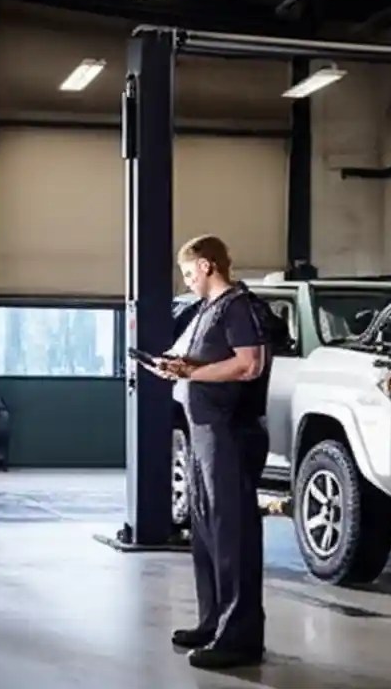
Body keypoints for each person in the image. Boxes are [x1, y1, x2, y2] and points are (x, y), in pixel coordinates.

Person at [153, 234, 271, 670]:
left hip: (230, 434)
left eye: (188, 272)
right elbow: (190, 358)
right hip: (203, 435)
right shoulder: (206, 311)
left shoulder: (239, 306)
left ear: (206, 266)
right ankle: (213, 623)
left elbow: (249, 363)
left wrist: (194, 373)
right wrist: (173, 365)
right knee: (206, 535)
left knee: (233, 536)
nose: (187, 281)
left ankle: (239, 638)